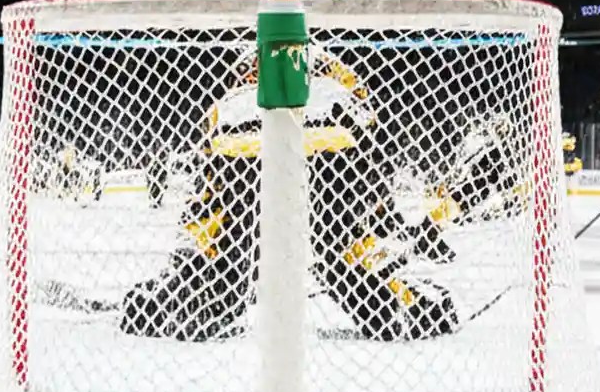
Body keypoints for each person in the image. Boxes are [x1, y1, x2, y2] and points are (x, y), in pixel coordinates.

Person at [119, 54, 459, 342]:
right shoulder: (329, 74)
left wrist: (189, 254)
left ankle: (181, 289)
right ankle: (402, 300)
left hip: (255, 136)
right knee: (340, 252)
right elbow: (369, 155)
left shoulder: (247, 77)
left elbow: (210, 193)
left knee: (228, 260)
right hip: (326, 138)